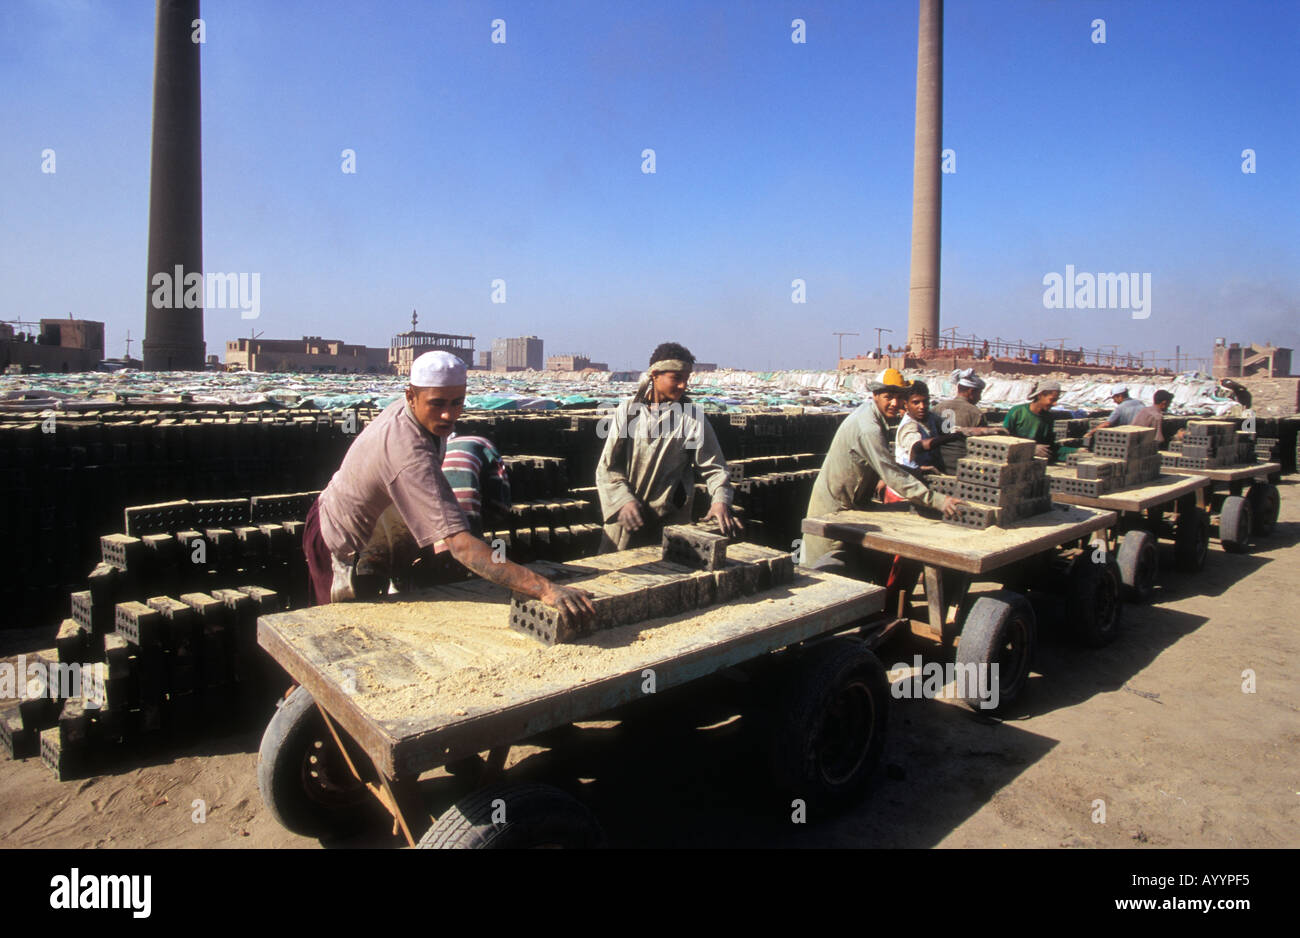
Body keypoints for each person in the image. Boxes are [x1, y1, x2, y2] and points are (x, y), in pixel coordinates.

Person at [303, 350, 595, 628]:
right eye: (438, 403)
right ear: (411, 396)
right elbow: (461, 545)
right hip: (339, 542)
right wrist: (543, 588)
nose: (448, 414)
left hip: (375, 535)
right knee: (344, 637)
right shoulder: (407, 453)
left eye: (457, 402)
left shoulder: (415, 416)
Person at [802, 369, 964, 573]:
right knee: (820, 572)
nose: (894, 403)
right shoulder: (869, 428)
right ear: (875, 396)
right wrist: (938, 501)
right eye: (888, 397)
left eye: (898, 398)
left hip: (853, 506)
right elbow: (891, 474)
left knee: (851, 568)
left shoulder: (874, 418)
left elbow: (881, 464)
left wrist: (914, 472)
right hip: (833, 508)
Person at [595, 342, 742, 552]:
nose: (683, 386)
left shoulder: (692, 418)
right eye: (676, 378)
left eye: (686, 379)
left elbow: (714, 468)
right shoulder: (628, 412)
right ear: (654, 375)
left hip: (669, 522)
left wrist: (720, 501)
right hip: (625, 519)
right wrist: (623, 500)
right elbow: (608, 467)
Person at [894, 380, 1000, 474]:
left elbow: (951, 429)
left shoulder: (931, 417)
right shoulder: (909, 425)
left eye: (925, 402)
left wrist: (984, 431)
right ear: (906, 404)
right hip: (909, 476)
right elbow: (918, 446)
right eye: (916, 403)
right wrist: (952, 437)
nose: (922, 406)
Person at [1003, 379, 1077, 463]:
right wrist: (1031, 449)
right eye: (1052, 400)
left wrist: (1076, 451)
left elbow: (1051, 448)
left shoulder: (1048, 418)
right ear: (1040, 395)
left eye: (1056, 400)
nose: (1055, 404)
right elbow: (1004, 440)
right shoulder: (1017, 412)